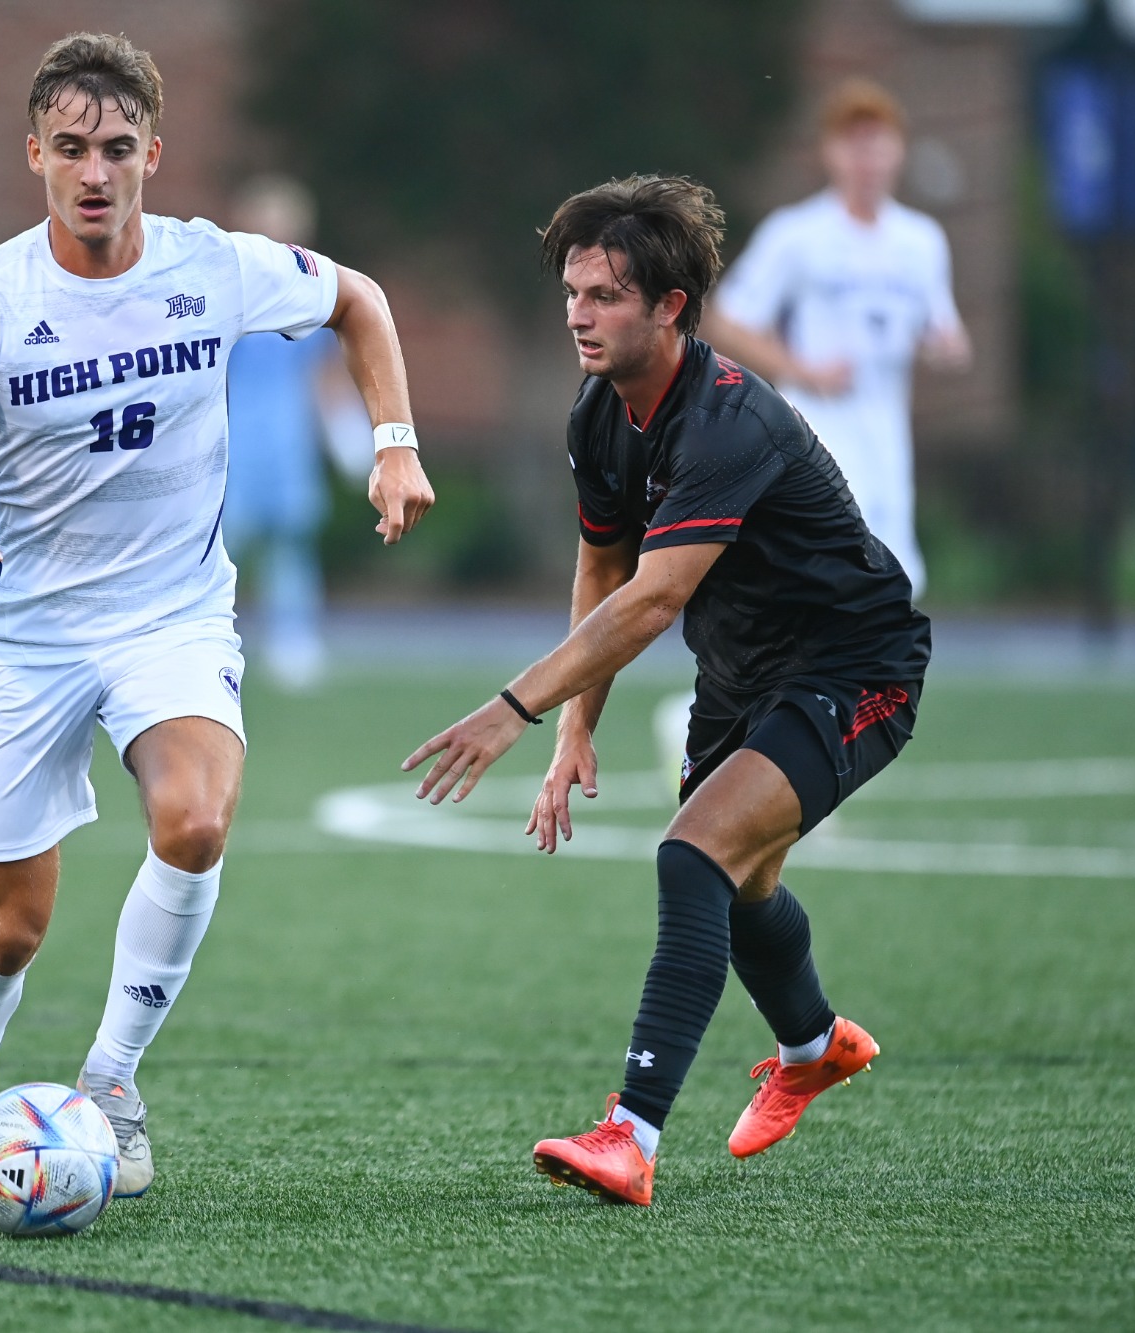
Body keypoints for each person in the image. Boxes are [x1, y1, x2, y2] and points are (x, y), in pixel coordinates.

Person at [0, 32, 434, 1209]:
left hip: (168, 614)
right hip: (24, 634)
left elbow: (358, 301)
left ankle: (109, 1082)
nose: (93, 172)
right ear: (34, 156)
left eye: (117, 148)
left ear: (153, 156)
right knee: (9, 932)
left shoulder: (210, 266)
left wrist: (392, 443)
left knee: (195, 818)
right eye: (69, 149)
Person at [403, 175, 929, 1206]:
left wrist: (511, 709)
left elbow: (651, 602)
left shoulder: (726, 421)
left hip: (850, 663)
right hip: (741, 671)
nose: (576, 315)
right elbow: (601, 570)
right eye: (570, 292)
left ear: (668, 308)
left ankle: (628, 1136)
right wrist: (571, 732)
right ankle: (814, 1042)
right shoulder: (598, 410)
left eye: (603, 295)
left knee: (692, 855)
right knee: (736, 884)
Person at [705, 78, 971, 597]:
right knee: (837, 557)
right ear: (830, 152)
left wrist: (945, 347)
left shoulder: (921, 242)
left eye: (878, 142)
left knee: (893, 574)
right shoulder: (798, 235)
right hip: (817, 425)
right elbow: (728, 320)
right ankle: (751, 680)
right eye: (854, 143)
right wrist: (804, 370)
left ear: (897, 150)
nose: (867, 158)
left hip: (885, 430)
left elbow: (942, 329)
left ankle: (838, 679)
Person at [223, 175, 371, 691]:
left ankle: (293, 640)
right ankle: (206, 642)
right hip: (232, 442)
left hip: (288, 443)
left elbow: (323, 378)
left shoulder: (310, 305)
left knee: (291, 544)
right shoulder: (226, 301)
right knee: (220, 546)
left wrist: (349, 435)